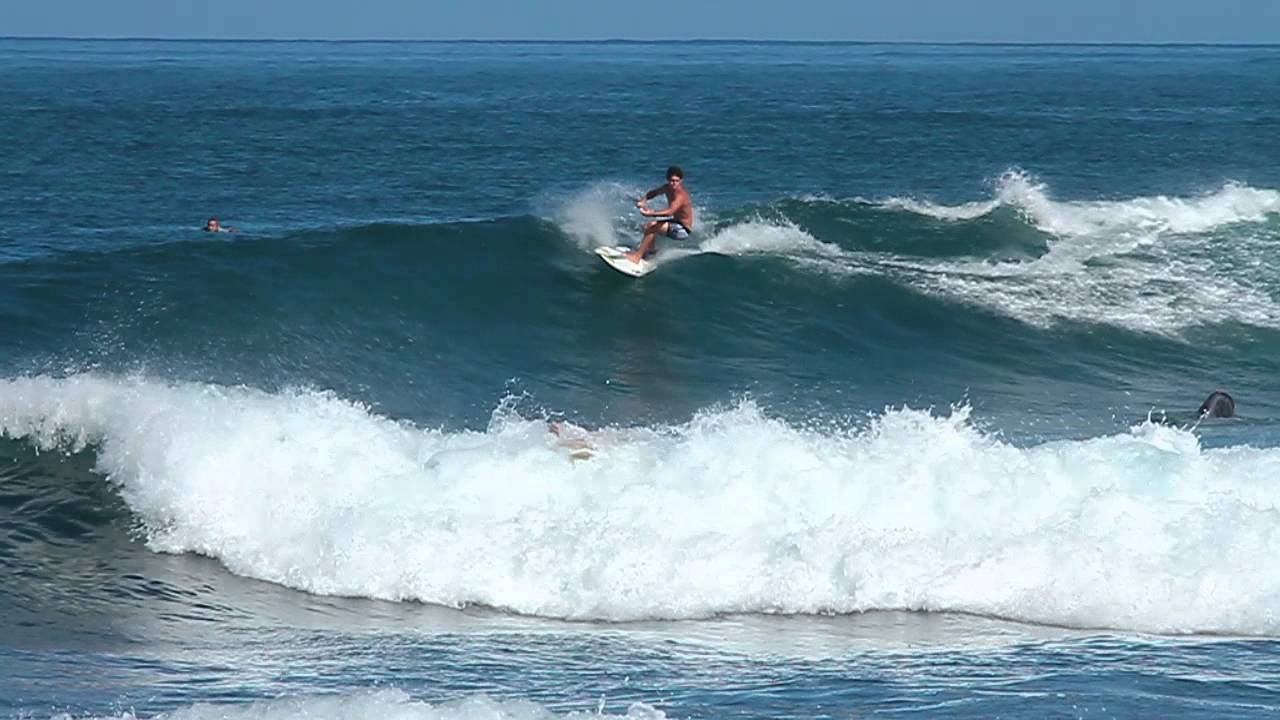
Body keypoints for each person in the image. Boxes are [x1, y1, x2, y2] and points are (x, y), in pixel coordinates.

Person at [626, 165, 694, 263]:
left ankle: (637, 257)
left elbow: (670, 211)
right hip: (675, 222)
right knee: (648, 226)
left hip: (683, 230)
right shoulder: (667, 188)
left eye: (676, 181)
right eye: (671, 181)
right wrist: (644, 200)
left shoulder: (680, 195)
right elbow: (653, 193)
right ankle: (651, 251)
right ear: (667, 180)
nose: (674, 184)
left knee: (652, 228)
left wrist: (651, 213)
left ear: (681, 181)